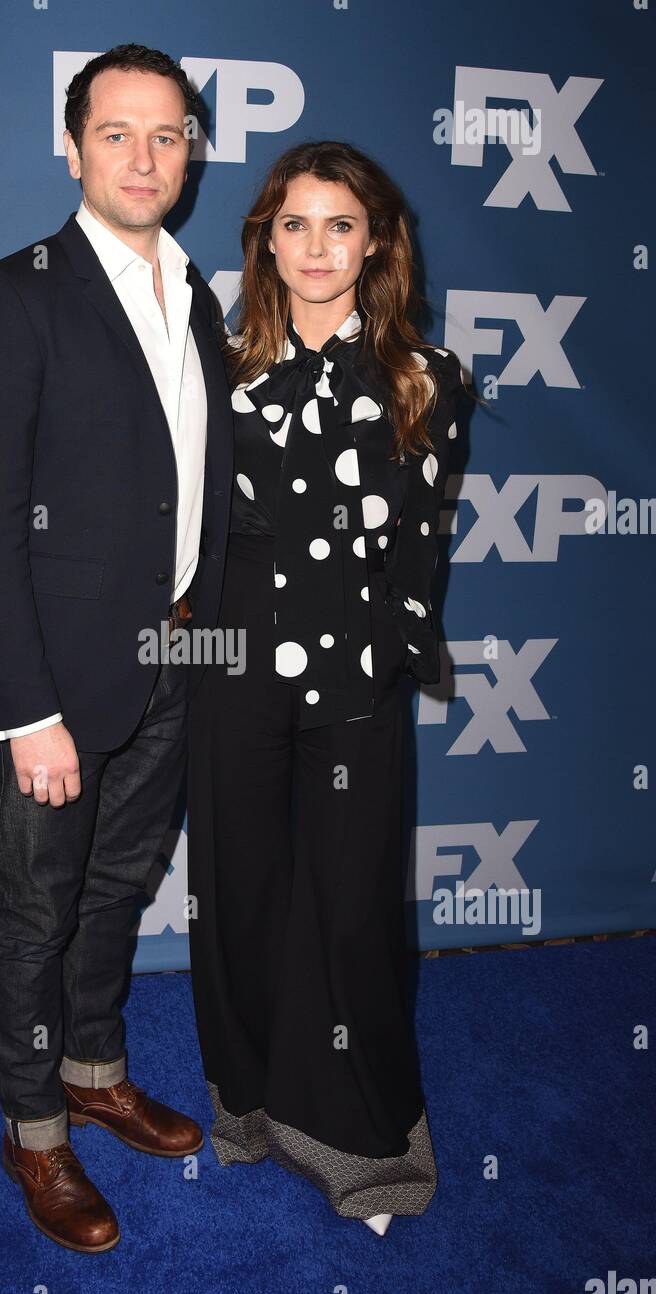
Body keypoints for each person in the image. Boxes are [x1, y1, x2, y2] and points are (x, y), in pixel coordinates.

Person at [0, 45, 233, 1253]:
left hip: (175, 657)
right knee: (37, 908)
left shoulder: (201, 293)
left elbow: (198, 495)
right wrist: (26, 709)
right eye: (117, 133)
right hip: (56, 682)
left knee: (120, 886)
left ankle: (92, 1068)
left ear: (191, 152)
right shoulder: (13, 293)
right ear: (71, 147)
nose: (144, 157)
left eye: (166, 136)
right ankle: (34, 1131)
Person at [187, 140, 470, 1235]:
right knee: (238, 885)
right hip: (235, 655)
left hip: (355, 659)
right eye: (292, 224)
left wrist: (390, 653)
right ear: (264, 239)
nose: (314, 247)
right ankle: (249, 1106)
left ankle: (362, 1147)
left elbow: (423, 547)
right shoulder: (215, 362)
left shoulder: (425, 377)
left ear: (376, 242)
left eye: (338, 224)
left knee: (349, 903)